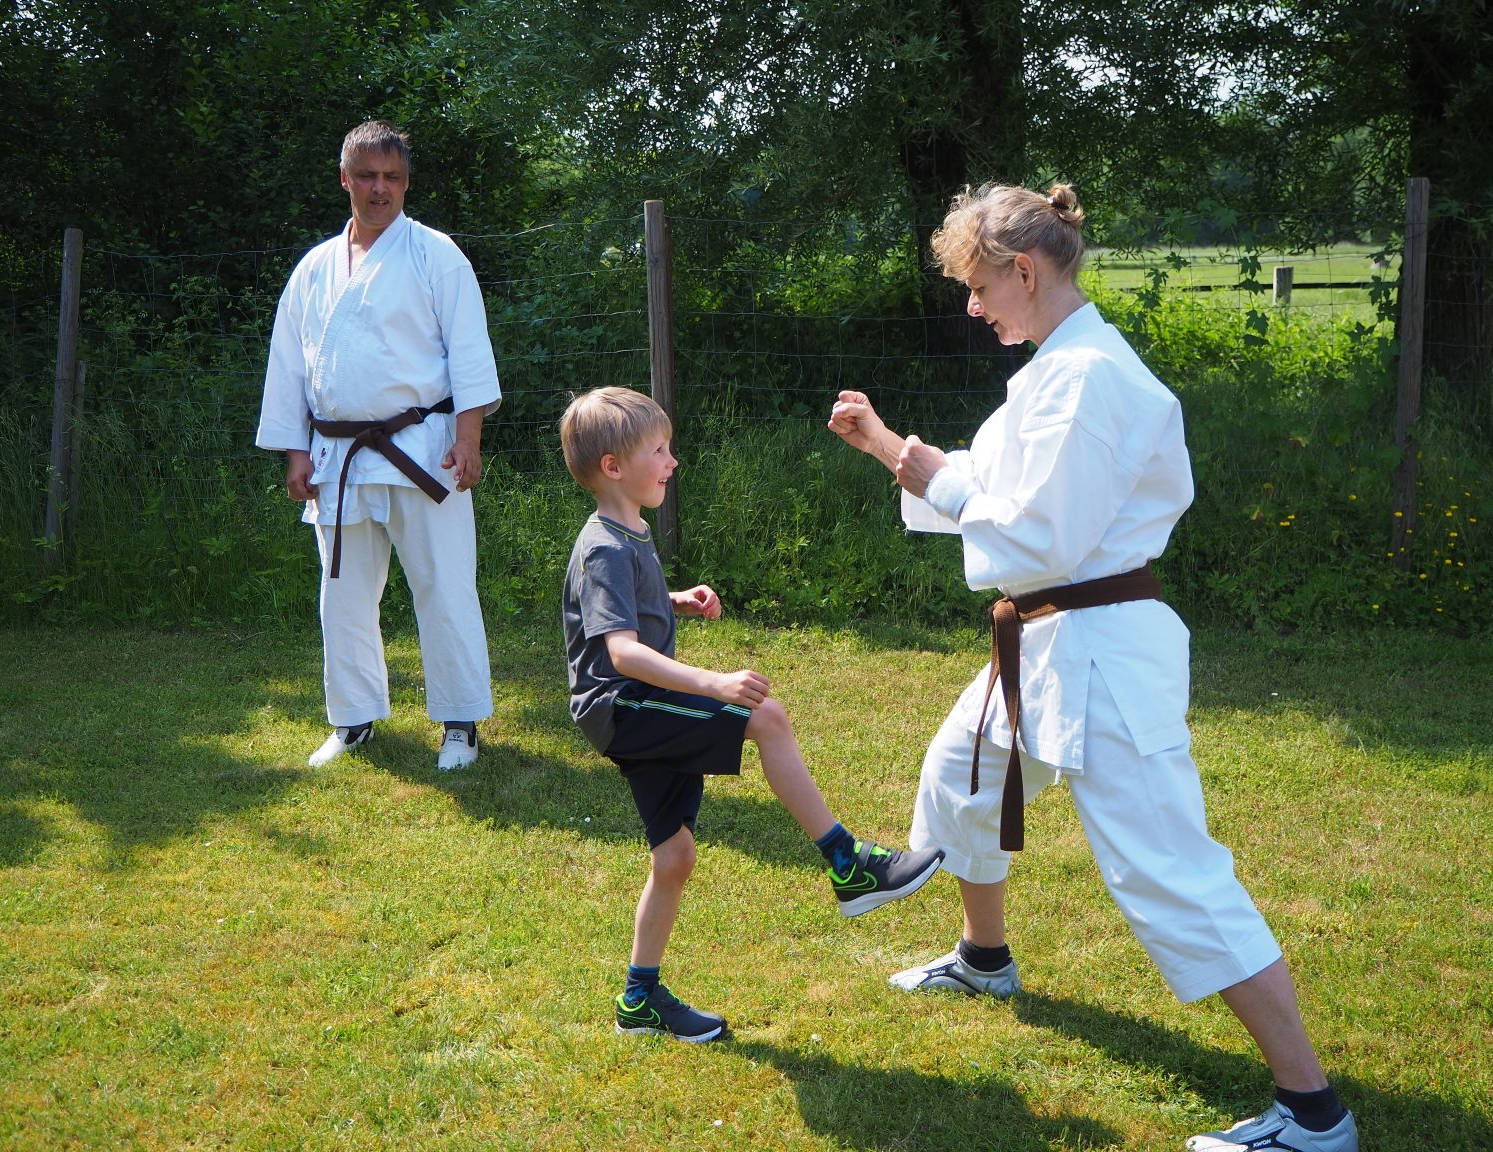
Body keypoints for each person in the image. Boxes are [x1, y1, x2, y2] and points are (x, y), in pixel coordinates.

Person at [827, 184, 1357, 1152]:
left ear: (1025, 270)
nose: (973, 307)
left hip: (1103, 648)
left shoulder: (1091, 381)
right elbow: (993, 490)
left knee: (1169, 872)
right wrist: (889, 449)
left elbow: (1039, 533)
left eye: (981, 286)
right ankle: (985, 959)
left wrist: (915, 466)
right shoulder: (1053, 373)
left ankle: (1315, 1114)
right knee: (963, 777)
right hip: (1043, 640)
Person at [560, 386, 945, 1043]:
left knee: (675, 857)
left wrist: (676, 601)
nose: (672, 460)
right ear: (613, 468)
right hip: (620, 707)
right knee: (766, 716)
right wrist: (711, 681)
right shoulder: (604, 546)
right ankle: (849, 865)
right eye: (658, 450)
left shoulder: (628, 530)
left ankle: (639, 1000)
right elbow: (620, 653)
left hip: (632, 710)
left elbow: (626, 614)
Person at [257, 121, 501, 771]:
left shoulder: (436, 254)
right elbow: (289, 365)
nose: (378, 188)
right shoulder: (313, 269)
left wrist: (469, 439)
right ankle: (354, 719)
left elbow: (469, 350)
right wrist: (295, 451)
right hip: (338, 456)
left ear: (407, 182)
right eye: (366, 175)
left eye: (391, 177)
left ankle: (459, 722)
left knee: (444, 586)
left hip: (424, 448)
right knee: (342, 595)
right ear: (344, 178)